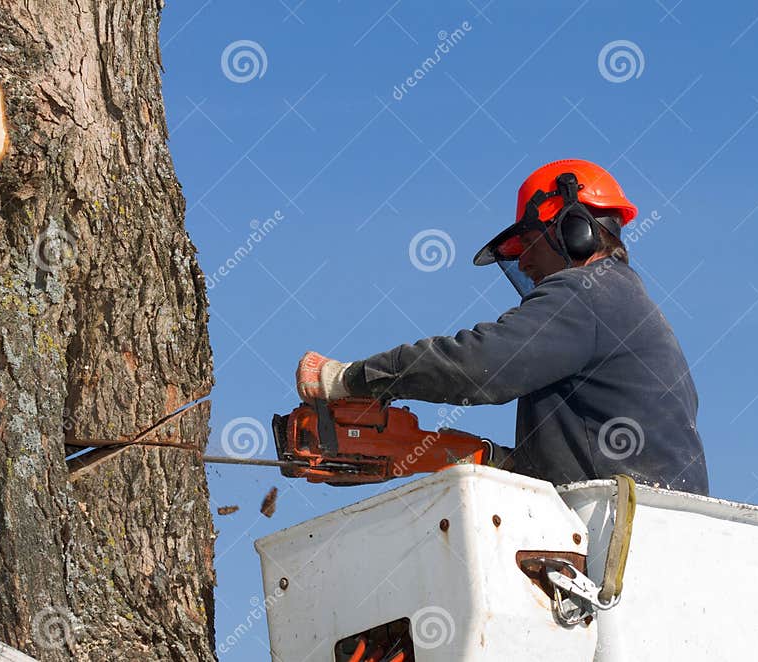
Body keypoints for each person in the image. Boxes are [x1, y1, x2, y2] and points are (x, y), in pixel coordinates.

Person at [295, 159, 709, 495]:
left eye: (526, 244)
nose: (524, 263)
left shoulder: (587, 294)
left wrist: (353, 378)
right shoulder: (623, 301)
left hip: (624, 526)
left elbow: (478, 365)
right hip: (645, 523)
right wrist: (487, 459)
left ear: (573, 230)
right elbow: (587, 448)